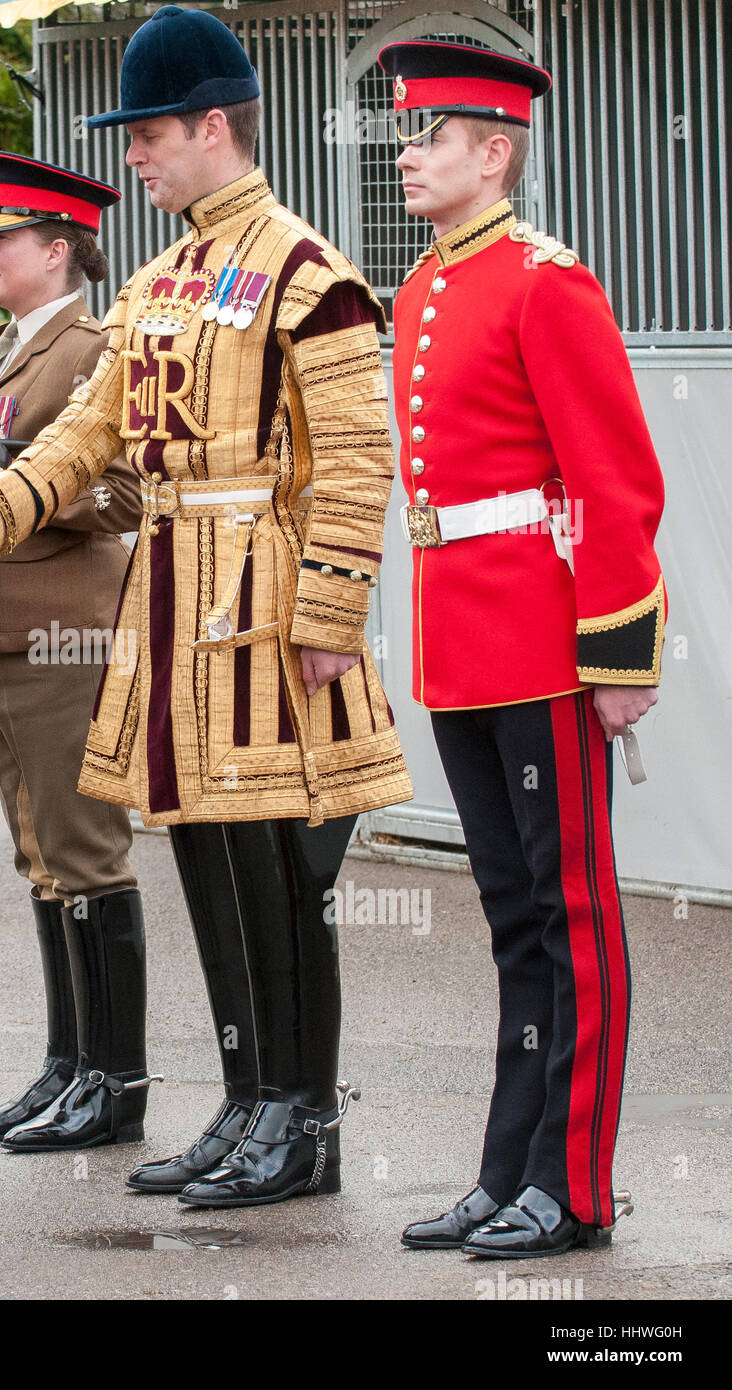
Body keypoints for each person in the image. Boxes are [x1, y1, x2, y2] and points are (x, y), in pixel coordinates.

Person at [0, 5, 412, 1207]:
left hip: (268, 613)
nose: (131, 155)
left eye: (145, 133)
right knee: (206, 861)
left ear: (210, 125)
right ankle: (246, 1102)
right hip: (174, 601)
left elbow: (354, 457)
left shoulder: (311, 273)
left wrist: (329, 619)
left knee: (282, 880)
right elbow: (85, 441)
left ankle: (301, 1119)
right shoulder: (156, 279)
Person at [379, 40, 665, 1257]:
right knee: (509, 917)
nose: (403, 151)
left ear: (493, 153)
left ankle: (574, 1184)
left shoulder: (547, 282)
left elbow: (611, 476)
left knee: (571, 918)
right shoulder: (421, 288)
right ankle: (508, 1171)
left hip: (549, 645)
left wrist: (618, 654)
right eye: (403, 133)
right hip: (465, 642)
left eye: (428, 135)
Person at [0, 152, 150, 1150]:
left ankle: (115, 1081)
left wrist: (22, 476)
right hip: (3, 628)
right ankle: (68, 1067)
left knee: (84, 850)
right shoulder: (10, 343)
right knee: (41, 854)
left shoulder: (93, 349)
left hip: (63, 634)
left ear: (56, 250)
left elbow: (128, 496)